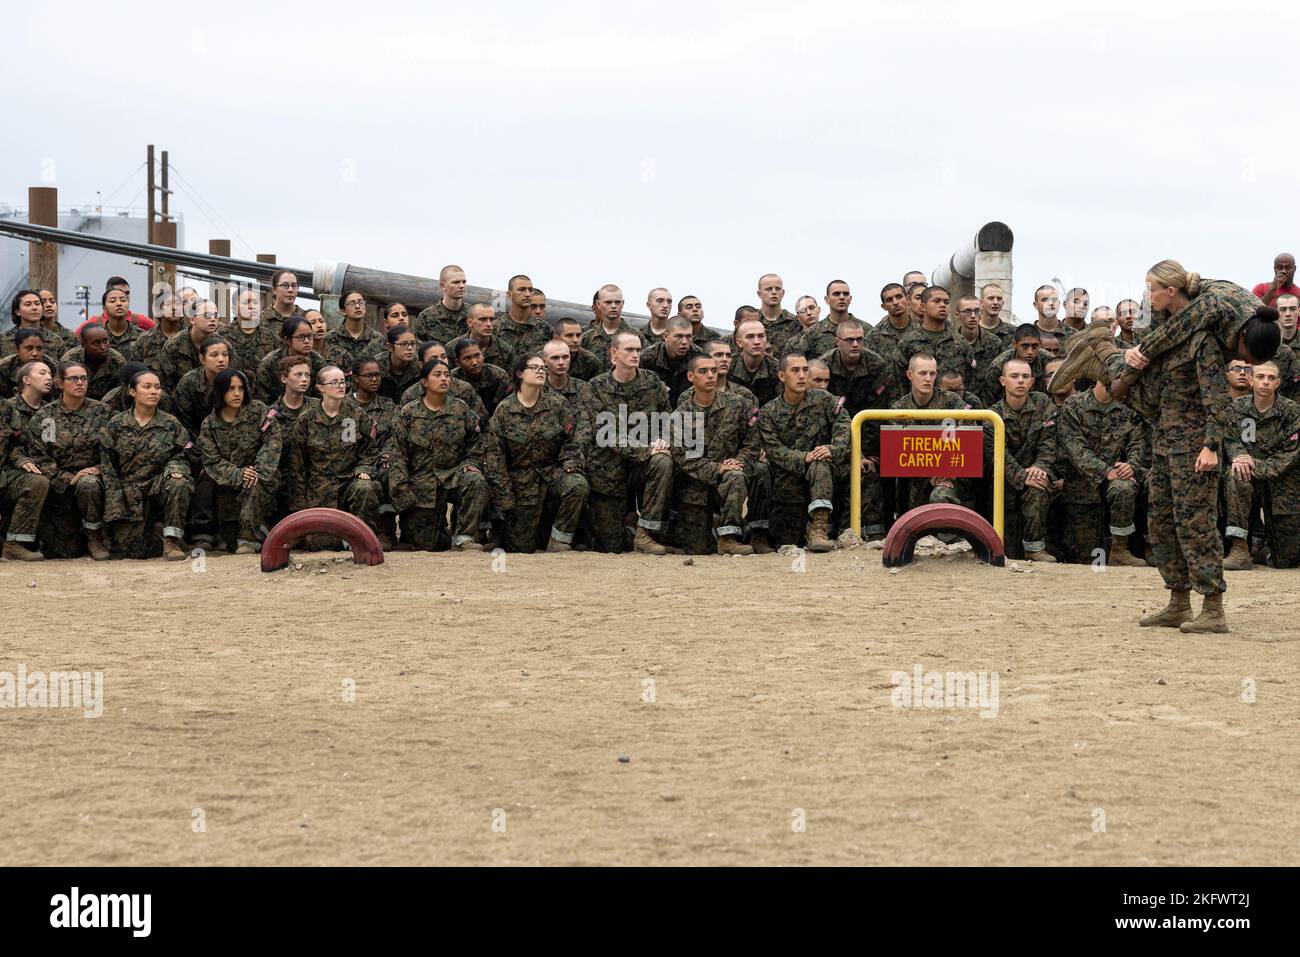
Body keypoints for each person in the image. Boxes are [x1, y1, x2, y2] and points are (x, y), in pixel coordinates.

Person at [574, 331, 674, 553]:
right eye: (629, 349)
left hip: (643, 465)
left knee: (663, 462)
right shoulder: (596, 387)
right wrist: (647, 449)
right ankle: (623, 526)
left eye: (638, 350)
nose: (635, 354)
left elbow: (666, 419)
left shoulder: (652, 382)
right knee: (611, 545)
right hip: (608, 469)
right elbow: (606, 434)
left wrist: (662, 441)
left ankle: (645, 533)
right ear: (613, 353)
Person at [480, 352, 588, 552]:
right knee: (522, 547)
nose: (541, 372)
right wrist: (505, 496)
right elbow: (495, 458)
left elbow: (572, 439)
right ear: (520, 373)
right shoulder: (504, 410)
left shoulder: (557, 404)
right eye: (535, 368)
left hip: (550, 475)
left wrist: (570, 464)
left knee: (577, 485)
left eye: (543, 368)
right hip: (520, 483)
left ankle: (560, 539)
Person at [385, 358, 488, 552]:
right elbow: (398, 454)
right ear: (424, 382)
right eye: (437, 375)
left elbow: (476, 442)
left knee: (475, 480)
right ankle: (440, 531)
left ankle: (465, 537)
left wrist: (470, 462)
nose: (444, 379)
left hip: (454, 475)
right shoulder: (408, 412)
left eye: (447, 375)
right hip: (422, 481)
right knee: (428, 545)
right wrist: (402, 490)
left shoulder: (461, 408)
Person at [99, 369, 193, 561]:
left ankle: (172, 541)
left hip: (158, 486)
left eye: (157, 387)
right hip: (130, 491)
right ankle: (156, 532)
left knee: (178, 483)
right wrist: (116, 505)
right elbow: (108, 468)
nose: (154, 392)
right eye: (147, 387)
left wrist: (175, 470)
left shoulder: (171, 424)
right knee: (134, 552)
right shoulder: (116, 425)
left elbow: (184, 454)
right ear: (132, 392)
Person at [671, 353, 760, 555]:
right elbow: (683, 457)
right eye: (703, 371)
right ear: (690, 377)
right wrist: (717, 467)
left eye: (713, 370)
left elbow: (752, 443)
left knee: (735, 477)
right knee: (697, 549)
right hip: (694, 487)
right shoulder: (680, 416)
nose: (711, 375)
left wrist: (738, 462)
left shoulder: (738, 405)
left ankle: (728, 538)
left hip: (728, 480)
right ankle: (711, 526)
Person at [757, 353, 847, 552]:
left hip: (822, 477)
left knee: (820, 462)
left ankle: (819, 529)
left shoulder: (824, 399)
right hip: (787, 484)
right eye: (795, 370)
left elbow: (844, 425)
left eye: (805, 370)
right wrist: (803, 457)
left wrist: (832, 449)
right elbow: (773, 449)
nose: (801, 375)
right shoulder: (768, 412)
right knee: (787, 540)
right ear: (782, 376)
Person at [22, 361, 111, 559]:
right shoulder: (47, 417)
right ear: (60, 383)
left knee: (89, 484)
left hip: (93, 482)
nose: (80, 383)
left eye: (84, 378)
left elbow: (112, 452)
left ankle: (94, 537)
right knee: (64, 552)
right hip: (60, 489)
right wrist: (69, 478)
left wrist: (97, 469)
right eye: (73, 379)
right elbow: (40, 457)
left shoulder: (102, 413)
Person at [289, 367, 383, 545]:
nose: (340, 386)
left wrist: (364, 469)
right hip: (319, 486)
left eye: (342, 382)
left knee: (366, 488)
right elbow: (298, 466)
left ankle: (363, 541)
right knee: (322, 545)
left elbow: (370, 450)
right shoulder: (306, 420)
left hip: (349, 481)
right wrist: (300, 507)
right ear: (320, 388)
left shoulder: (357, 416)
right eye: (334, 382)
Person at [195, 369, 281, 554]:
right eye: (231, 389)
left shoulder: (259, 411)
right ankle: (207, 534)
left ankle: (248, 539)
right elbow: (211, 461)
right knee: (205, 479)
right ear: (220, 391)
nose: (237, 394)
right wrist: (239, 474)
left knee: (256, 484)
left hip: (260, 476)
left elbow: (272, 442)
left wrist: (256, 470)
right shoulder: (209, 424)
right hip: (227, 481)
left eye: (240, 388)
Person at [1223, 361, 1300, 569]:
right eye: (1260, 377)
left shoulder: (1292, 412)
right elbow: (1229, 439)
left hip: (1282, 481)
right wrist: (1239, 455)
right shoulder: (1237, 408)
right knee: (1235, 475)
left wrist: (1255, 465)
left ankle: (1265, 552)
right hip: (1247, 475)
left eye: (1271, 378)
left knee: (1286, 560)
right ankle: (1240, 549)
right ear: (1251, 380)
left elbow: (1291, 454)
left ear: (1277, 383)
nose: (1265, 382)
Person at [984, 358, 1057, 562]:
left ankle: (1035, 549)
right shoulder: (992, 415)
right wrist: (1022, 475)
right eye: (1014, 376)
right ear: (1002, 381)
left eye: (1025, 377)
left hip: (1037, 476)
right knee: (1005, 550)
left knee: (1038, 487)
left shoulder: (1043, 404)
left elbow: (1049, 444)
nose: (1020, 381)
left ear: (1032, 382)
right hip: (1003, 483)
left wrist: (1039, 468)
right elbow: (997, 454)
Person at [890, 353, 973, 512]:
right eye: (922, 373)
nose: (928, 378)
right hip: (913, 482)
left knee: (941, 495)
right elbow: (898, 456)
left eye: (932, 373)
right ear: (910, 375)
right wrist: (931, 473)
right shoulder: (898, 409)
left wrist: (948, 470)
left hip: (950, 476)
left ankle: (947, 536)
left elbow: (969, 436)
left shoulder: (952, 401)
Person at [0, 360, 54, 560]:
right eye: (42, 373)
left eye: (50, 374)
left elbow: (52, 444)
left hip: (38, 471)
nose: (48, 378)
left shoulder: (50, 412)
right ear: (26, 379)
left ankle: (15, 543)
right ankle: (12, 542)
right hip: (7, 471)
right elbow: (9, 444)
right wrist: (19, 459)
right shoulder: (8, 407)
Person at [266, 355, 318, 523]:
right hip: (282, 479)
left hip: (314, 476)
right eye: (298, 375)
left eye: (307, 375)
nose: (304, 379)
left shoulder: (319, 409)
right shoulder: (271, 414)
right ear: (283, 378)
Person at [895, 286, 975, 386]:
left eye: (946, 302)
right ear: (923, 307)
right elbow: (899, 383)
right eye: (937, 301)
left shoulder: (959, 342)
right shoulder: (907, 342)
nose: (943, 305)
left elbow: (970, 381)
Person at [400, 342, 489, 424]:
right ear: (421, 365)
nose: (441, 361)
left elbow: (482, 419)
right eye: (433, 358)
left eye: (443, 357)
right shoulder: (410, 395)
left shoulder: (464, 389)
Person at [255, 316, 327, 403]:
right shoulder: (270, 363)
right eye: (301, 337)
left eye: (309, 336)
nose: (307, 341)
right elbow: (261, 399)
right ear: (288, 340)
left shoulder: (319, 362)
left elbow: (323, 396)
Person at [172, 337, 231, 436]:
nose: (221, 359)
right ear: (202, 359)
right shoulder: (189, 382)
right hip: (197, 437)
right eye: (214, 355)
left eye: (225, 355)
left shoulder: (236, 380)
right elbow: (183, 420)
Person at [639, 316, 703, 406]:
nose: (684, 342)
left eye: (688, 336)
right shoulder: (647, 357)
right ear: (666, 336)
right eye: (679, 336)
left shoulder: (699, 358)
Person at [785, 280, 858, 358]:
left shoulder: (864, 329)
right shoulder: (811, 334)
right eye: (836, 294)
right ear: (827, 299)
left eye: (845, 294)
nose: (841, 297)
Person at [979, 325, 1048, 406]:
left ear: (1040, 343)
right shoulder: (998, 367)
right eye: (1025, 346)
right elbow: (989, 400)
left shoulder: (1049, 363)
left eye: (1035, 346)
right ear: (1014, 344)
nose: (1030, 351)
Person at [161, 300, 222, 390]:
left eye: (216, 315)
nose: (213, 319)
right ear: (193, 319)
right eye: (206, 315)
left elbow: (232, 377)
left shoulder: (223, 345)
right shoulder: (174, 345)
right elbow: (165, 384)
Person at [581, 284, 643, 368]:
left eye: (617, 302)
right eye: (608, 302)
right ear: (598, 304)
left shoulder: (636, 337)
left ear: (623, 303)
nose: (613, 306)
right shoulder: (587, 338)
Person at [323, 289, 385, 369]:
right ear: (343, 311)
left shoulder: (377, 338)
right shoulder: (330, 338)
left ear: (365, 309)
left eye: (361, 302)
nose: (357, 306)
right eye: (352, 303)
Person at [63, 324, 126, 401]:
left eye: (105, 341)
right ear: (83, 345)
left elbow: (121, 393)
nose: (103, 347)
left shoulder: (118, 361)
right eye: (96, 343)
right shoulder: (70, 359)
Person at [131, 288, 188, 372]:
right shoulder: (145, 340)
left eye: (178, 304)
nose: (174, 308)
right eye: (168, 304)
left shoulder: (191, 336)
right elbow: (134, 372)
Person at [494, 275, 552, 357]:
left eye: (530, 290)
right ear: (509, 294)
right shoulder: (495, 329)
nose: (528, 294)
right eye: (521, 289)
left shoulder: (546, 330)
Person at [451, 339, 511, 416]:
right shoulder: (452, 379)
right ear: (458, 362)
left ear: (483, 356)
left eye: (477, 355)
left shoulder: (499, 376)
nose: (474, 362)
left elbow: (504, 408)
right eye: (467, 358)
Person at [414, 265, 471, 344]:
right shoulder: (426, 318)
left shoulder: (473, 314)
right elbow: (419, 350)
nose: (462, 286)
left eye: (464, 282)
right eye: (456, 282)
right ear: (442, 286)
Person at [729, 319, 780, 406]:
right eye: (750, 336)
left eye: (761, 336)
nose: (757, 342)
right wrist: (700, 420)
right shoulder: (727, 366)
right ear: (739, 342)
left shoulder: (777, 368)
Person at [450, 302, 514, 370]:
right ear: (470, 322)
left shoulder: (506, 350)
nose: (489, 324)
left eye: (491, 319)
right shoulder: (452, 348)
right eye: (483, 319)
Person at [2, 289, 61, 359]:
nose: (34, 308)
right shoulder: (3, 340)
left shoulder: (56, 341)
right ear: (18, 312)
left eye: (37, 304)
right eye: (28, 304)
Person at [0, 328, 57, 400]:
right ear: (17, 349)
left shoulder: (52, 366)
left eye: (39, 348)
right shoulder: (4, 368)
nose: (35, 353)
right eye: (29, 348)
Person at [756, 273, 801, 355]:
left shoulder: (796, 323)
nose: (774, 292)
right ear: (759, 294)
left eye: (777, 289)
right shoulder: (751, 321)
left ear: (783, 293)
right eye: (769, 289)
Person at [97, 286, 144, 355]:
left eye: (123, 300)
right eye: (112, 301)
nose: (119, 304)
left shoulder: (142, 337)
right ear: (104, 309)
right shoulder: (97, 336)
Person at [541, 338, 587, 408]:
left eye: (565, 357)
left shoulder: (584, 389)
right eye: (555, 358)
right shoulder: (538, 390)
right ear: (544, 362)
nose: (561, 362)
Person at [38, 288, 76, 357]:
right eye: (43, 302)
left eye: (52, 301)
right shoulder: (31, 333)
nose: (49, 305)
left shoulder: (69, 335)